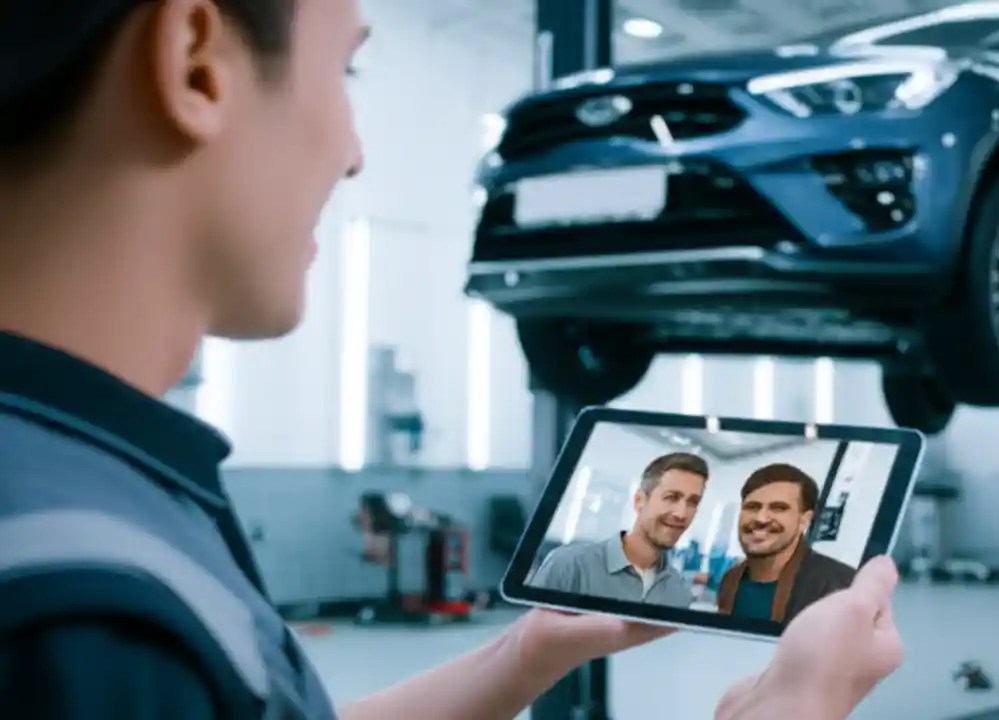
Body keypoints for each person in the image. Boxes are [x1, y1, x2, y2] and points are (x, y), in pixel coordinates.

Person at [0, 1, 903, 718]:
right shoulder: (94, 616)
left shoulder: (73, 492)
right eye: (345, 69)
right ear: (196, 59)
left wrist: (523, 654)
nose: (354, 156)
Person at [530, 452, 708, 607]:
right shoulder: (569, 566)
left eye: (693, 502)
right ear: (639, 500)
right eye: (671, 497)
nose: (682, 513)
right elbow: (525, 639)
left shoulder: (678, 592)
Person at [717, 464, 857, 624]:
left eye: (778, 508)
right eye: (752, 507)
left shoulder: (841, 586)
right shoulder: (730, 579)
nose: (761, 518)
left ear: (804, 520)